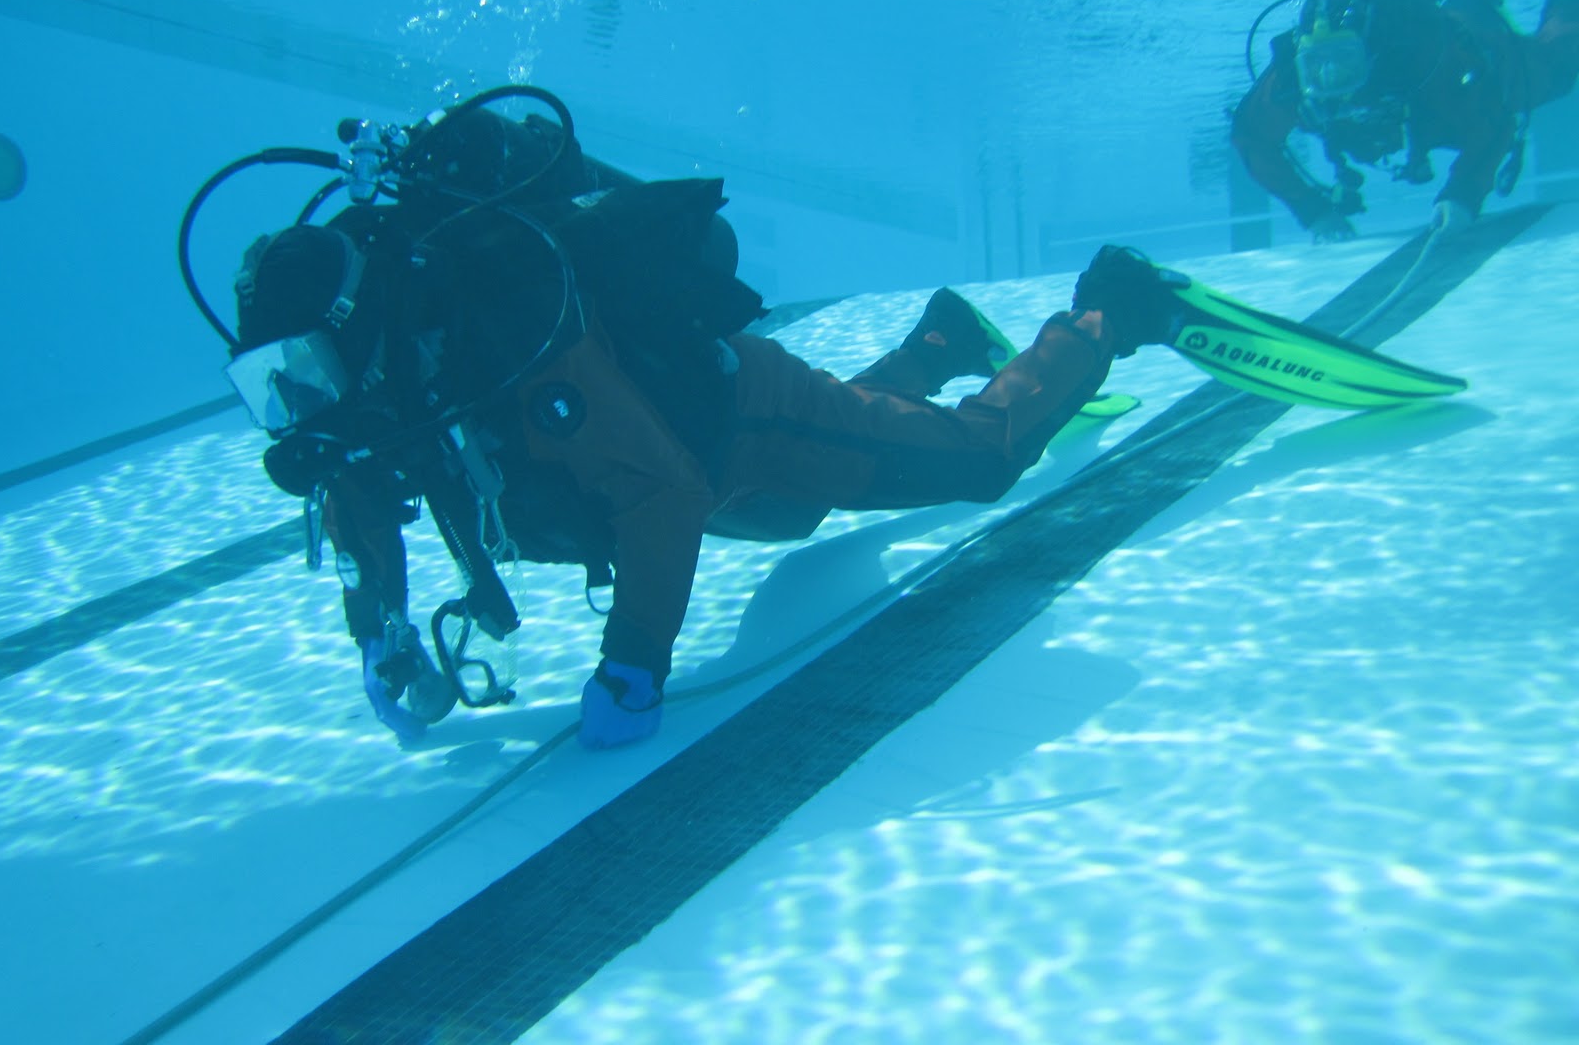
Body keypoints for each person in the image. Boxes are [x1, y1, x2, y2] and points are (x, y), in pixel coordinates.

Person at [225, 98, 1185, 750]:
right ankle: (936, 343)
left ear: (354, 327)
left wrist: (634, 663)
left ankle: (1108, 308)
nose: (297, 406)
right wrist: (378, 632)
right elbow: (347, 485)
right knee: (799, 517)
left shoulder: (513, 349)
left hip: (747, 420)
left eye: (299, 374)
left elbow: (660, 493)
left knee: (980, 462)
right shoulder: (378, 387)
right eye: (268, 385)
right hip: (707, 463)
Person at [1231, 0, 1579, 243]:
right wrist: (1313, 212)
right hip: (1427, 69)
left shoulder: (1427, 61)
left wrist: (1462, 196)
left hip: (1471, 43)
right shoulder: (1293, 82)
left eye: (1345, 62)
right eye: (1317, 66)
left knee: (1560, 63)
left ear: (1371, 56)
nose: (1332, 83)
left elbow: (1495, 122)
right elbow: (1251, 137)